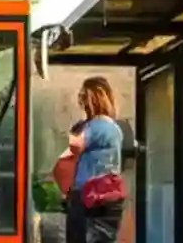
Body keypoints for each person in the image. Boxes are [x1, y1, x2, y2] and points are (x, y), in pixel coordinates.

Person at [66, 76, 125, 243]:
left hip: (89, 196)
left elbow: (75, 145)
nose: (81, 101)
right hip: (109, 197)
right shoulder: (114, 127)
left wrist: (71, 133)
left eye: (83, 97)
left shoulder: (98, 124)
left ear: (93, 99)